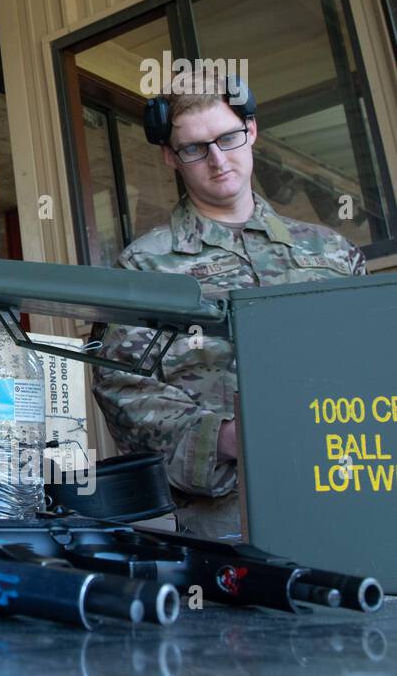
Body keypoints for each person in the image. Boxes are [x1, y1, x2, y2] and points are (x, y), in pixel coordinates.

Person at [92, 88, 366, 538]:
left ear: (251, 131)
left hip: (349, 487)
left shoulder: (334, 254)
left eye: (228, 138)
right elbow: (122, 386)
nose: (218, 160)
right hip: (226, 519)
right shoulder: (146, 267)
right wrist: (223, 438)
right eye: (195, 148)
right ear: (170, 156)